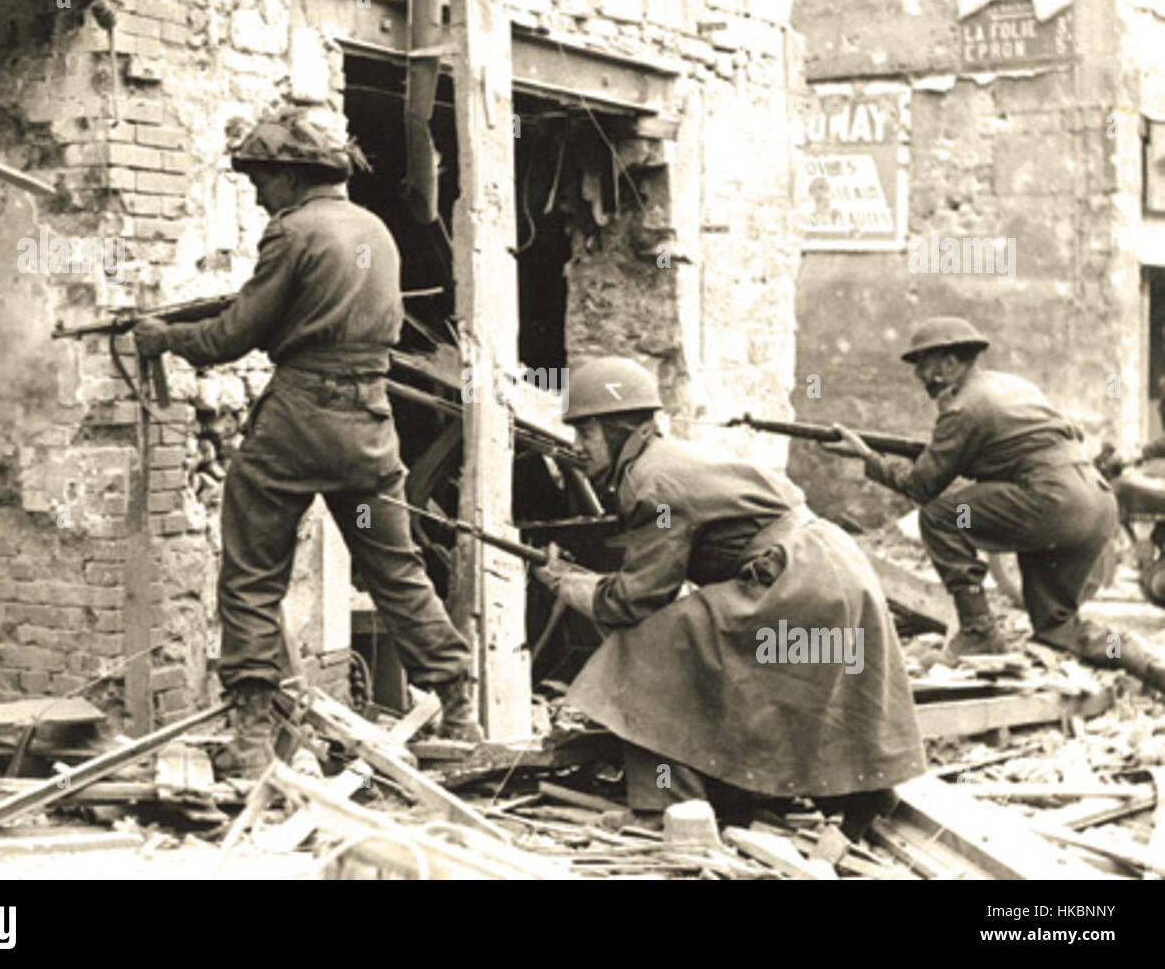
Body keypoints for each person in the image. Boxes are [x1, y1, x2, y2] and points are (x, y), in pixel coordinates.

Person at [134, 108, 480, 777]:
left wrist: (166, 338)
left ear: (292, 174)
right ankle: (459, 706)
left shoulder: (290, 231)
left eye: (263, 178)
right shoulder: (374, 229)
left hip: (297, 420)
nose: (260, 193)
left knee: (251, 576)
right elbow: (311, 308)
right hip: (368, 424)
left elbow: (234, 337)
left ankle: (254, 736)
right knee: (396, 571)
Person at [531, 356, 926, 835]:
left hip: (795, 579)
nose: (579, 447)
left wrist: (564, 581)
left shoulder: (653, 482)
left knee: (642, 655)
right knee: (769, 673)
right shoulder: (663, 459)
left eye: (585, 434)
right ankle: (847, 795)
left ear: (617, 430)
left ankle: (665, 807)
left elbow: (638, 600)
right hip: (826, 565)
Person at [830, 316, 1165, 691]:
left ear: (952, 362)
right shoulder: (1013, 386)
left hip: (1051, 502)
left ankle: (978, 631)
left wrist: (867, 457)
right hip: (1096, 502)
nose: (920, 377)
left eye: (925, 365)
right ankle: (1145, 663)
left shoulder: (963, 409)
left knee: (941, 516)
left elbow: (922, 486)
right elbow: (1035, 444)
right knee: (1057, 627)